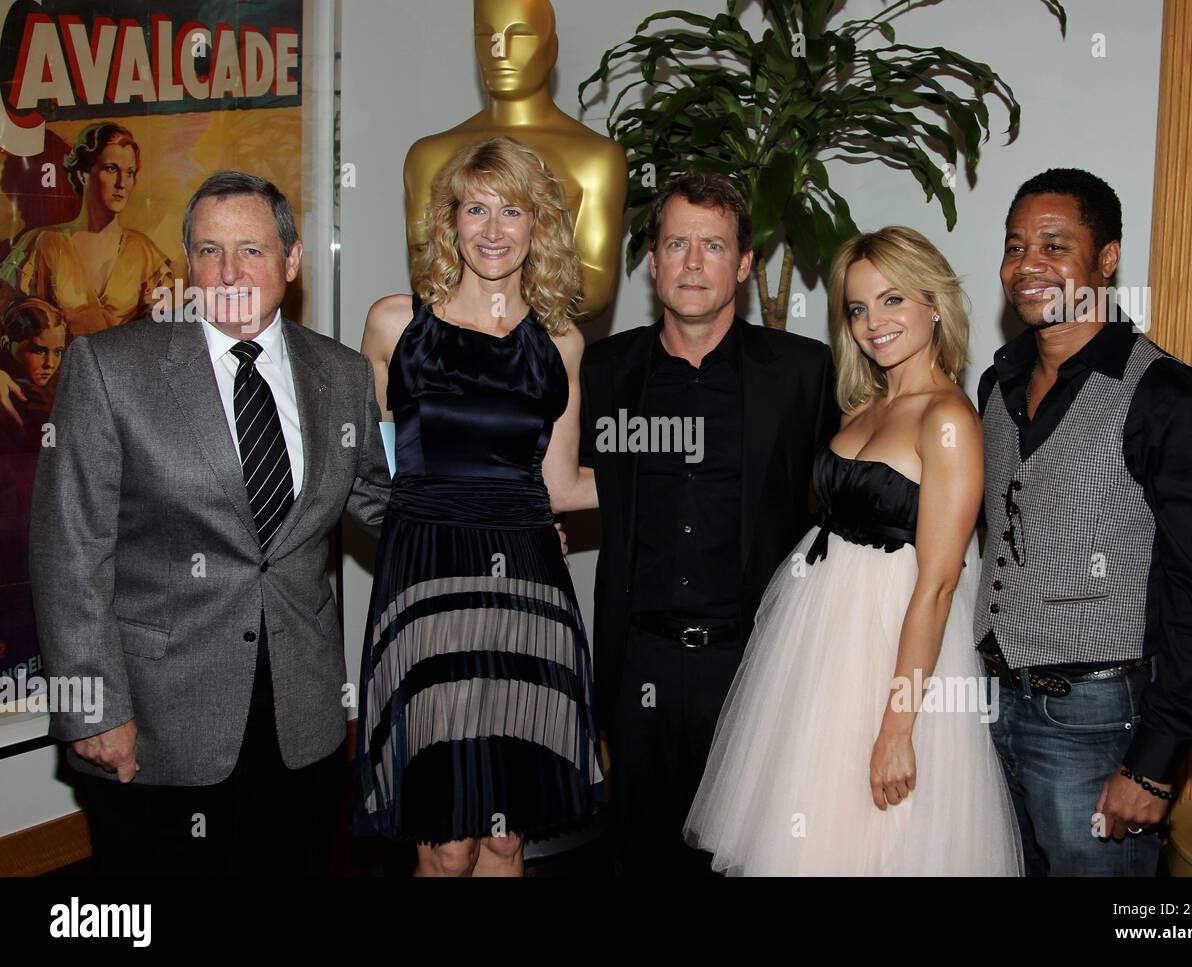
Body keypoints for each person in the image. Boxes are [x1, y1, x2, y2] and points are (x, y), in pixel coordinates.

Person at [29, 170, 391, 876]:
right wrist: (95, 709)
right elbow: (68, 549)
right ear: (187, 260)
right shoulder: (110, 369)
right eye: (208, 250)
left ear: (290, 261)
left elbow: (380, 498)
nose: (228, 271)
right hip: (158, 723)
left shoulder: (341, 374)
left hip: (301, 717)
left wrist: (497, 525)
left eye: (251, 250)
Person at [683, 226, 1022, 875]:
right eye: (859, 308)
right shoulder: (864, 404)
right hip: (816, 646)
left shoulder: (947, 419)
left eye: (892, 300)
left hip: (893, 650)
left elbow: (940, 584)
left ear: (934, 302)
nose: (874, 323)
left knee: (876, 840)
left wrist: (897, 728)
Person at [976, 168, 1192, 876]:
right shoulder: (996, 384)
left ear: (1106, 259)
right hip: (990, 707)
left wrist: (1155, 764)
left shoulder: (1175, 400)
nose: (1027, 264)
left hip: (1097, 724)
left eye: (1054, 245)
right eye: (1015, 245)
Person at [578, 172, 840, 876]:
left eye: (714, 246)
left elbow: (846, 507)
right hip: (640, 663)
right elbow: (559, 484)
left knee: (749, 859)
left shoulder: (804, 373)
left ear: (746, 265)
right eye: (676, 244)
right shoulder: (605, 370)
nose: (693, 264)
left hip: (754, 662)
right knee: (639, 856)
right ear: (652, 260)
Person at [355, 136, 601, 877]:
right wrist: (414, 525)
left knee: (502, 834)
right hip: (426, 576)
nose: (493, 229)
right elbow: (368, 470)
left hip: (526, 585)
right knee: (448, 832)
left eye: (513, 210)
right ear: (450, 221)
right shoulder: (394, 325)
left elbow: (562, 484)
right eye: (476, 208)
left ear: (539, 226)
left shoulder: (560, 342)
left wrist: (670, 473)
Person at [0, 122, 173, 427]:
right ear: (82, 173)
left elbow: (167, 345)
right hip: (52, 415)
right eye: (110, 169)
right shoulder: (44, 245)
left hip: (125, 415)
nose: (122, 183)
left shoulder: (147, 254)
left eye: (129, 172)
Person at [0, 298, 65, 453]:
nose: (50, 363)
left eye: (58, 352)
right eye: (38, 350)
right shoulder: (31, 399)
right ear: (6, 345)